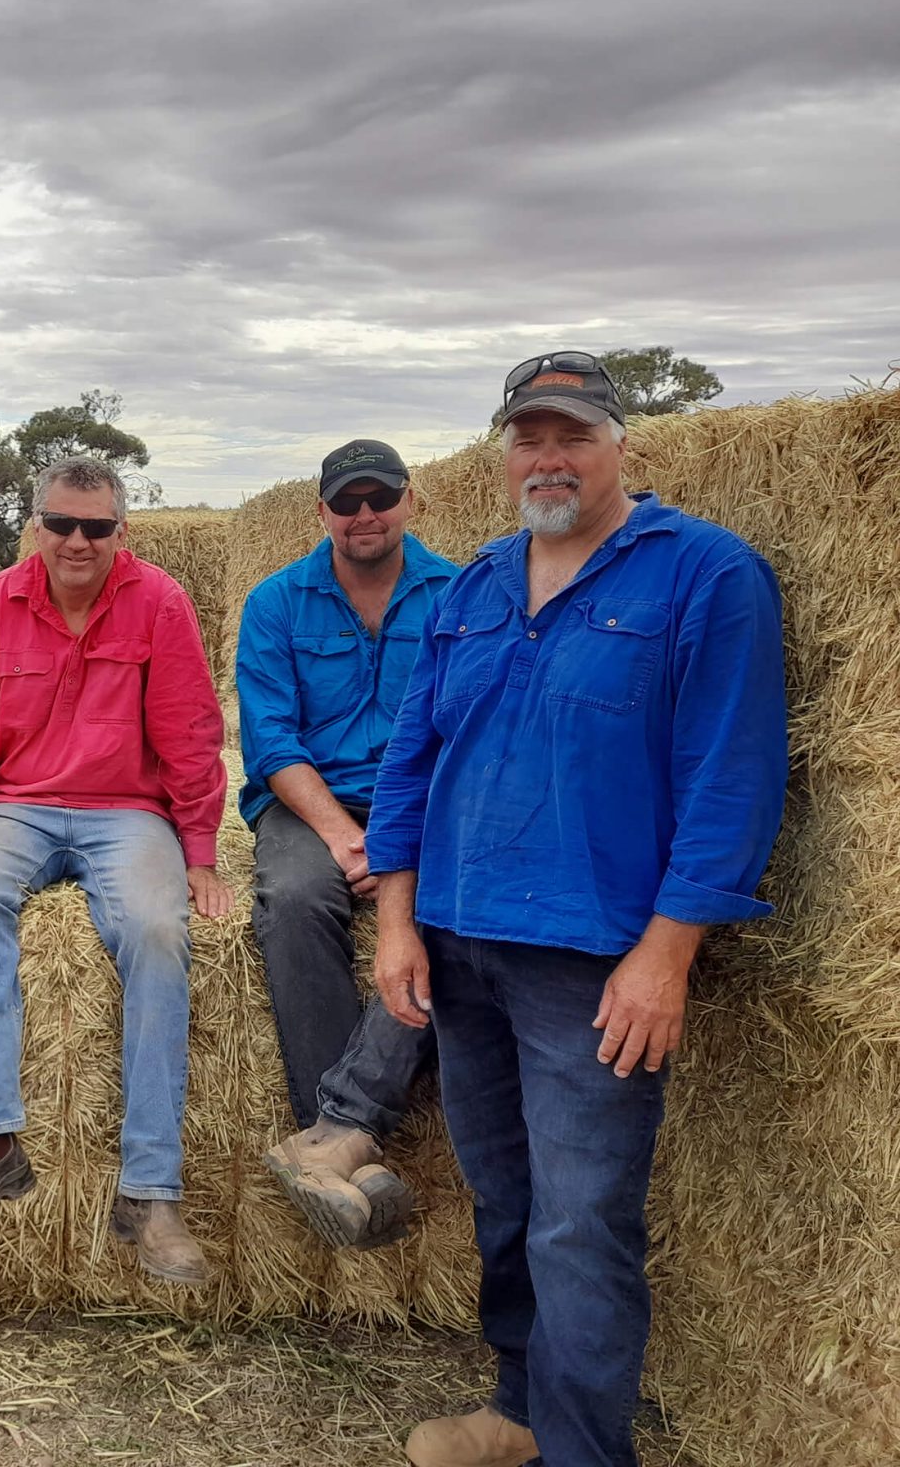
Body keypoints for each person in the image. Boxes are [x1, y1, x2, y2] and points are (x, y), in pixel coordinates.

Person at [365, 353, 787, 1467]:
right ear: (504, 452)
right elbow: (408, 758)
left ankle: (583, 1454)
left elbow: (728, 778)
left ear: (619, 446)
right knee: (502, 1202)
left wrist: (665, 955)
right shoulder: (474, 584)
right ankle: (517, 1413)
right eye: (526, 437)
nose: (545, 457)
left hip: (589, 963)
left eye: (571, 435)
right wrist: (397, 921)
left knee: (579, 1223)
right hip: (458, 942)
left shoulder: (701, 574)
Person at [0, 456, 232, 1286]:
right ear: (36, 525)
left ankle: (150, 1192)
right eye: (61, 524)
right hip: (17, 805)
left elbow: (191, 732)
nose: (77, 540)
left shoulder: (159, 602)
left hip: (128, 811)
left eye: (97, 526)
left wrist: (198, 852)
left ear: (124, 530)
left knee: (158, 931)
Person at [235, 440, 458, 1249]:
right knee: (293, 898)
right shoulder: (275, 602)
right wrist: (346, 837)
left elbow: (466, 733)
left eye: (380, 497)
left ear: (410, 502)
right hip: (309, 802)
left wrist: (402, 836)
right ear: (321, 511)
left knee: (451, 910)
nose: (365, 514)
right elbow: (270, 742)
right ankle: (340, 1138)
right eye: (347, 501)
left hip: (427, 805)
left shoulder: (461, 593)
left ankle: (334, 1135)